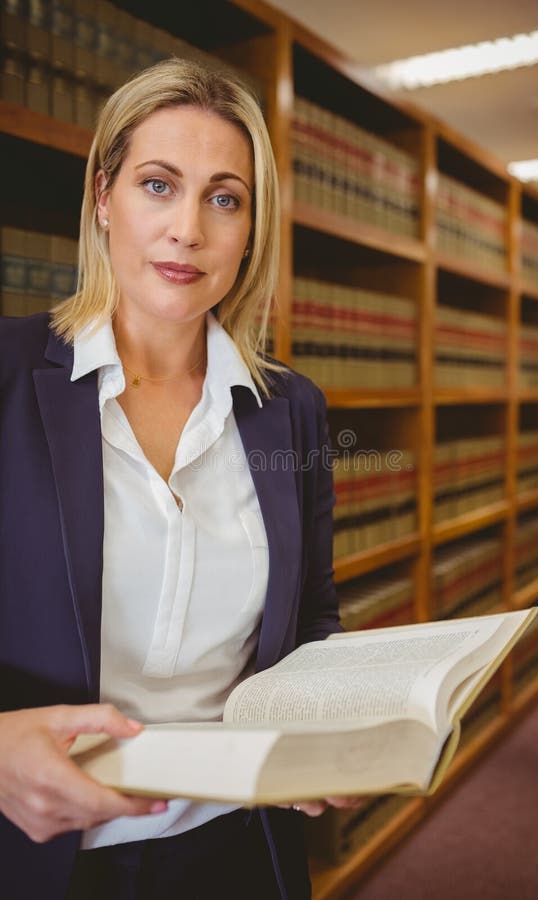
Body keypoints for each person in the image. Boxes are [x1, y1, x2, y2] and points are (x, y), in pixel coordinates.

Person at [0, 58, 357, 900]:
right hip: (36, 854)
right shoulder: (6, 377)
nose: (188, 229)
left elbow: (311, 620)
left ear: (251, 226)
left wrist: (335, 726)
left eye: (224, 198)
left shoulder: (291, 410)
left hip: (239, 847)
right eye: (158, 185)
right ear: (102, 197)